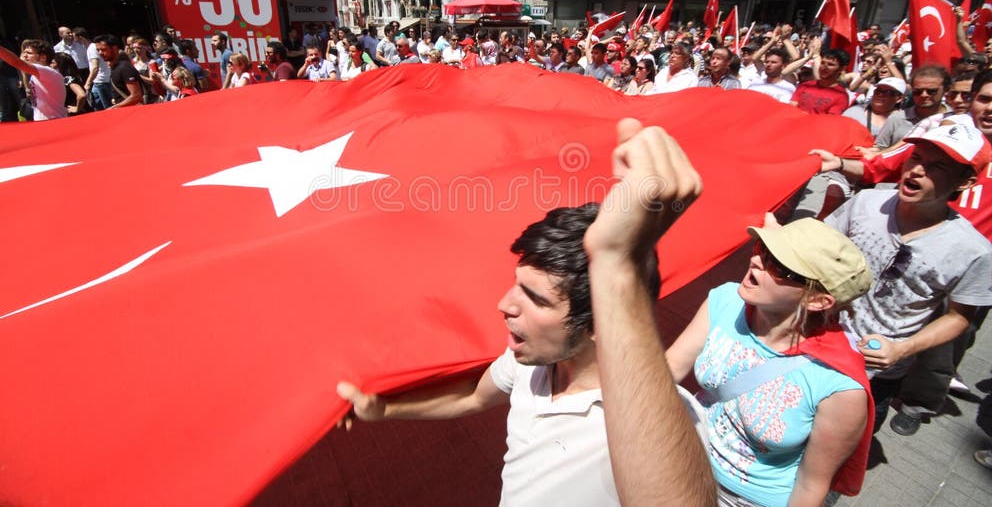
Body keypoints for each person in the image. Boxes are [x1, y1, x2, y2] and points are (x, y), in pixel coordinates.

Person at [338, 120, 716, 506]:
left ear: (599, 325)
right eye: (518, 283)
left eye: (537, 299)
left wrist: (615, 266)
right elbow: (473, 395)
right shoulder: (530, 362)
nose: (505, 305)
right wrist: (386, 409)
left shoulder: (664, 422)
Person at [666, 217, 874, 506]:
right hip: (678, 460)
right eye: (762, 249)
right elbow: (667, 372)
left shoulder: (839, 387)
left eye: (777, 265)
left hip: (741, 500)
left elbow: (811, 485)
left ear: (817, 301)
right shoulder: (725, 300)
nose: (755, 261)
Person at [813, 123, 992, 433]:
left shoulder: (974, 251)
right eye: (915, 157)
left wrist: (901, 349)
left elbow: (959, 318)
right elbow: (818, 250)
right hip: (817, 343)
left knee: (840, 450)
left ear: (965, 181)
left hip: (876, 373)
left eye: (936, 166)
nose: (917, 171)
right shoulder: (866, 203)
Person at [0, 40, 67, 120]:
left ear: (43, 57)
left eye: (29, 53)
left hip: (54, 121)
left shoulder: (46, 71)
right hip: (45, 122)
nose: (24, 55)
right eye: (24, 52)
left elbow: (17, 62)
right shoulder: (37, 74)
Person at [841, 77, 906, 139]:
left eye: (888, 92)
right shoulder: (854, 113)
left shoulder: (905, 121)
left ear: (899, 98)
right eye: (878, 90)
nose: (880, 94)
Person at [791, 49, 850, 114]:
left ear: (842, 69)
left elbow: (830, 120)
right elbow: (792, 107)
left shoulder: (841, 96)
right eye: (822, 63)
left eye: (830, 64)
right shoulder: (805, 85)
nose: (824, 67)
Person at [94, 34, 143, 108]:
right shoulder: (115, 68)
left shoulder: (125, 68)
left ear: (114, 48)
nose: (100, 53)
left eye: (103, 49)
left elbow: (136, 96)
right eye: (98, 50)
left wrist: (116, 107)